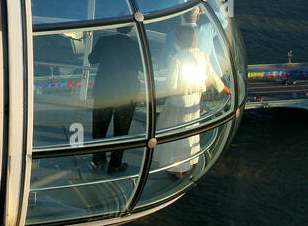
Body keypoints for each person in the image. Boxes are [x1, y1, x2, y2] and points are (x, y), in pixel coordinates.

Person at [153, 24, 231, 179]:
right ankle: (191, 161)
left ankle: (176, 169)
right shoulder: (201, 55)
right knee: (191, 132)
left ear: (179, 40)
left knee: (175, 135)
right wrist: (225, 89)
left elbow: (171, 86)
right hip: (195, 101)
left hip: (178, 103)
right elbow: (212, 75)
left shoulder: (177, 59)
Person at [88, 27, 143, 174]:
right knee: (121, 131)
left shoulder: (105, 41)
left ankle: (98, 160)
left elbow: (91, 59)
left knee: (99, 128)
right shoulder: (136, 45)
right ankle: (115, 164)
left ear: (117, 27)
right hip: (127, 94)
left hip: (104, 92)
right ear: (131, 28)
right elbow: (142, 67)